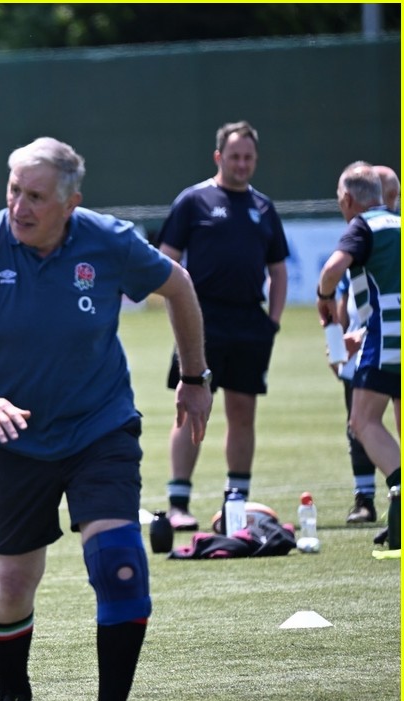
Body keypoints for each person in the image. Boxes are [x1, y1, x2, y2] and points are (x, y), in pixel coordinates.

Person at [0, 137, 211, 701]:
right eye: (13, 190)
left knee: (120, 565)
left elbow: (178, 287)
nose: (19, 205)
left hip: (100, 428)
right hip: (11, 437)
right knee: (15, 581)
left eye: (35, 196)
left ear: (72, 201)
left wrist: (194, 377)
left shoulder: (109, 241)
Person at [156, 121, 288, 531]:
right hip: (201, 319)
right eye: (235, 156)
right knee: (190, 408)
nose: (242, 163)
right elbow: (167, 260)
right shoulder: (193, 201)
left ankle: (237, 502)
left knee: (243, 412)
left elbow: (279, 270)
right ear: (219, 157)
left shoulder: (264, 208)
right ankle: (179, 501)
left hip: (249, 322)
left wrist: (272, 322)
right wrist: (178, 316)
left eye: (249, 157)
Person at [317, 162, 400, 551]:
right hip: (382, 331)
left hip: (390, 335)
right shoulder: (398, 224)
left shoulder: (362, 226)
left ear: (349, 199)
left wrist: (323, 297)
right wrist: (358, 334)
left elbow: (333, 270)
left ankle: (399, 488)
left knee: (363, 421)